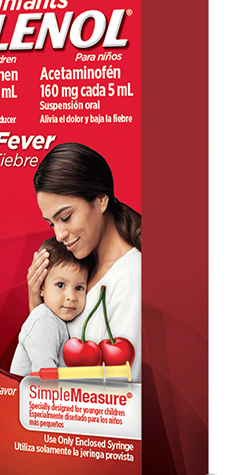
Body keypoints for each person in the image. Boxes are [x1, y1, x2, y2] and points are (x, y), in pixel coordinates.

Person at [25, 142, 141, 380]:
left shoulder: (131, 277)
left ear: (101, 199)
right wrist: (39, 309)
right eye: (52, 223)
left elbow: (126, 385)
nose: (59, 235)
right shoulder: (80, 268)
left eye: (66, 217)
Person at [10, 238, 93, 375]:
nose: (71, 297)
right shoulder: (44, 320)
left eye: (79, 288)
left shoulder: (60, 320)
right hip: (36, 388)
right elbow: (45, 374)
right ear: (41, 287)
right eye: (60, 285)